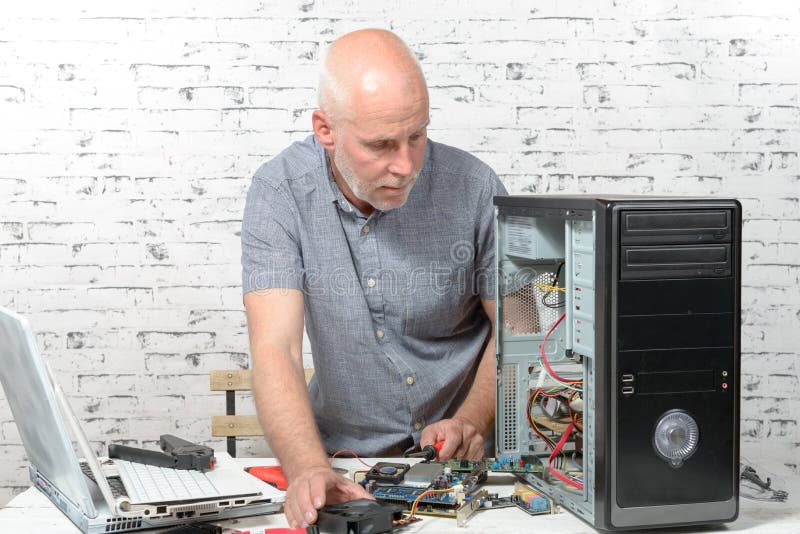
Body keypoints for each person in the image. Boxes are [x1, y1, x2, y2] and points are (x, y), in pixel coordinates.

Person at [240, 28, 507, 528]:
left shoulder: (475, 186)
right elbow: (275, 348)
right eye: (381, 145)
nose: (406, 165)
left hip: (463, 470)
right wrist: (307, 467)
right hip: (344, 465)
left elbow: (520, 326)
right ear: (326, 130)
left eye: (417, 135)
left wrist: (471, 420)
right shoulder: (279, 193)